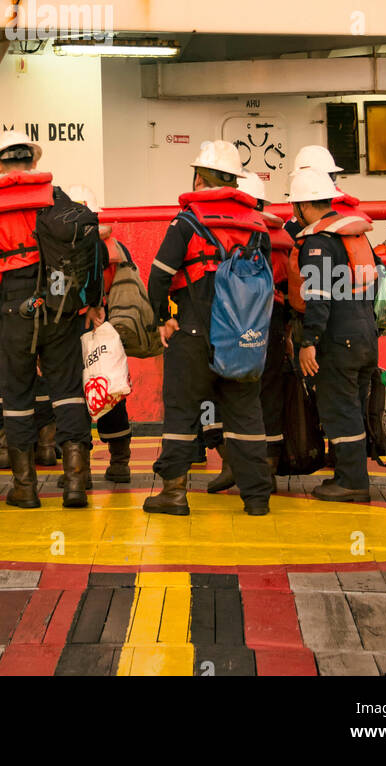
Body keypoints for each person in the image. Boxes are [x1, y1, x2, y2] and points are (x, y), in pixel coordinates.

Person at [0, 131, 102, 510]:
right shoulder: (56, 196)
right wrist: (94, 302)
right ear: (32, 163)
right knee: (67, 389)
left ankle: (25, 487)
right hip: (60, 300)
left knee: (17, 394)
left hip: (14, 306)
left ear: (0, 165)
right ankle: (74, 484)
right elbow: (90, 247)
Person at [144, 140, 274, 518]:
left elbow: (158, 277)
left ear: (199, 177)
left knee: (182, 414)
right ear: (234, 181)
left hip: (193, 336)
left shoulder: (186, 222)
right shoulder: (257, 227)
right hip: (243, 339)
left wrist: (160, 319)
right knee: (246, 416)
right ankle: (257, 498)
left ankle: (173, 493)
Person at [290, 166, 380, 503]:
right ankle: (348, 474)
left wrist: (308, 341)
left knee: (339, 409)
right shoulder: (355, 233)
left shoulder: (318, 242)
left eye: (295, 206)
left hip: (338, 340)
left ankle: (352, 482)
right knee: (354, 407)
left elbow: (318, 295)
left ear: (303, 206)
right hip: (366, 335)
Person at [0, 167, 57, 471]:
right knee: (45, 374)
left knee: (4, 379)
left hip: (6, 310)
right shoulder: (45, 203)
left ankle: (7, 451)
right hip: (48, 301)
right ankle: (46, 444)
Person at [208, 172, 292, 493]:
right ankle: (264, 470)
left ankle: (232, 463)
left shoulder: (220, 230)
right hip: (271, 321)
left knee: (221, 387)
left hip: (230, 321)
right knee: (266, 393)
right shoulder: (279, 239)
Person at [65, 184, 133, 485]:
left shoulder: (62, 247)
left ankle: (80, 470)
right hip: (110, 334)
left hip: (73, 330)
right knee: (111, 391)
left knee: (76, 396)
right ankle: (120, 463)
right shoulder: (117, 248)